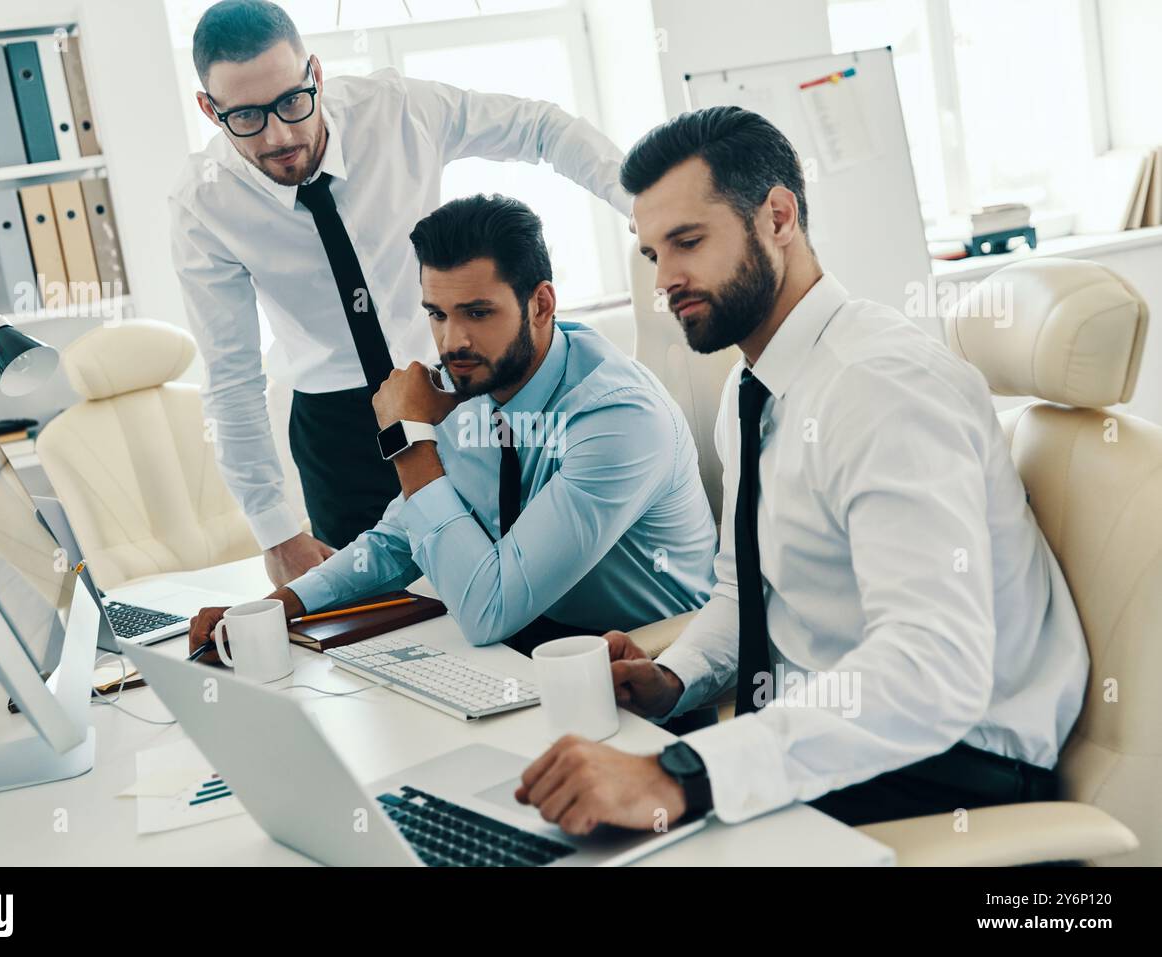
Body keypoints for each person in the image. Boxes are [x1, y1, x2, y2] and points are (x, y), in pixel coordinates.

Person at [515, 107, 1089, 835]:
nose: (666, 279)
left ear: (778, 217)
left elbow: (930, 670)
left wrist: (684, 773)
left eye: (688, 241)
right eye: (652, 252)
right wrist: (675, 678)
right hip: (825, 740)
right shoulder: (751, 387)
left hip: (945, 768)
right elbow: (743, 588)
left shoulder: (882, 387)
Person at [169, 0, 633, 590]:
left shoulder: (396, 111)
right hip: (337, 430)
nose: (281, 134)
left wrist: (635, 201)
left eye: (291, 101)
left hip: (450, 393)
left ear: (314, 73)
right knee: (369, 620)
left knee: (499, 584)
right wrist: (275, 531)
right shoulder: (202, 203)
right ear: (210, 110)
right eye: (248, 118)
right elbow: (232, 376)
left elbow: (536, 126)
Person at [189, 193, 716, 655]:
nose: (451, 342)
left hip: (642, 675)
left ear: (541, 304)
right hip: (524, 657)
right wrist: (274, 608)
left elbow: (490, 610)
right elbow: (397, 539)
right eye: (437, 314)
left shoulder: (617, 418)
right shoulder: (472, 387)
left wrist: (409, 440)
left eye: (477, 313)